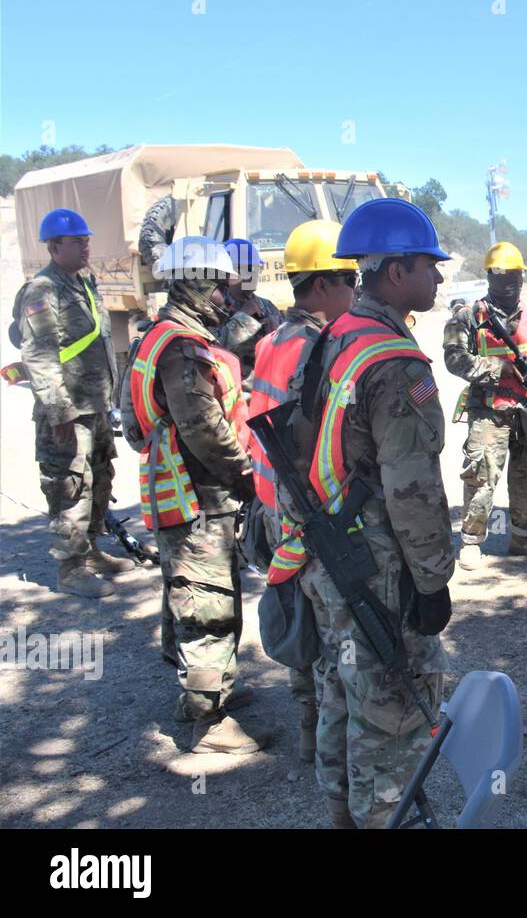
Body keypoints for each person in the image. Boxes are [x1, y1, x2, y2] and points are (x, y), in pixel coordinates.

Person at [270, 197, 456, 827]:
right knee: (394, 709)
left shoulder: (335, 337)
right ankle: (383, 817)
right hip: (376, 567)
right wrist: (431, 581)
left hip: (330, 555)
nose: (438, 277)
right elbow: (412, 489)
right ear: (396, 271)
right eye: (430, 265)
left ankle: (341, 816)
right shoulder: (395, 361)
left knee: (341, 694)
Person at [119, 237, 265, 754]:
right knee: (207, 601)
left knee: (190, 588)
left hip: (180, 493)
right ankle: (209, 723)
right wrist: (247, 475)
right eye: (220, 284)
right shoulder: (182, 349)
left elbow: (135, 423)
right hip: (198, 493)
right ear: (194, 280)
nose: (227, 295)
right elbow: (203, 427)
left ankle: (207, 689)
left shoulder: (156, 336)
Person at [246, 220, 357, 772]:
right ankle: (329, 754)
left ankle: (309, 731)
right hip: (301, 517)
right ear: (320, 284)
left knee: (297, 620)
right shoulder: (318, 349)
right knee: (327, 634)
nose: (357, 291)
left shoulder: (271, 341)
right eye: (350, 278)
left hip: (271, 509)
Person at [12, 208, 133, 597]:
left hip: (94, 405)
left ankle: (92, 549)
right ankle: (70, 568)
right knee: (70, 486)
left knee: (99, 478)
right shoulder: (42, 292)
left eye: (87, 240)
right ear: (53, 247)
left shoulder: (82, 284)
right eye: (77, 242)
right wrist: (58, 409)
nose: (86, 247)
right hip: (67, 411)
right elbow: (40, 354)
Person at [443, 241, 527, 569]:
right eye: (505, 278)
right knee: (481, 474)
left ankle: (523, 538)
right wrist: (498, 369)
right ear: (490, 278)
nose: (512, 284)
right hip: (488, 410)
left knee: (526, 475)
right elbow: (454, 358)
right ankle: (471, 541)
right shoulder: (468, 315)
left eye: (517, 278)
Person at [217, 238, 284, 378]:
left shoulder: (268, 307)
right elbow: (216, 348)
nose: (254, 274)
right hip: (232, 388)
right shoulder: (216, 308)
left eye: (257, 269)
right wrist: (244, 317)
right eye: (248, 269)